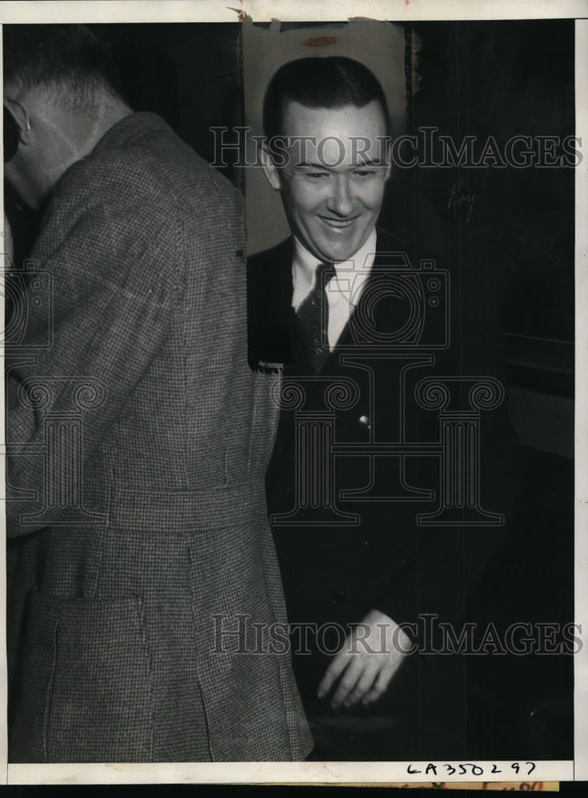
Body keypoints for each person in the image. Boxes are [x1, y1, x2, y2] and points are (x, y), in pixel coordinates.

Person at [4, 25, 311, 763]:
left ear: (9, 123)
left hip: (130, 678)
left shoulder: (113, 200)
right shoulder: (216, 194)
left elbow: (11, 472)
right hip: (225, 652)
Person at [248, 56, 517, 760]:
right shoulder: (236, 295)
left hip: (405, 690)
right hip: (259, 687)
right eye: (315, 172)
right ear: (272, 166)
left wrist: (405, 614)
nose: (345, 201)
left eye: (365, 170)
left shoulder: (448, 300)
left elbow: (483, 489)